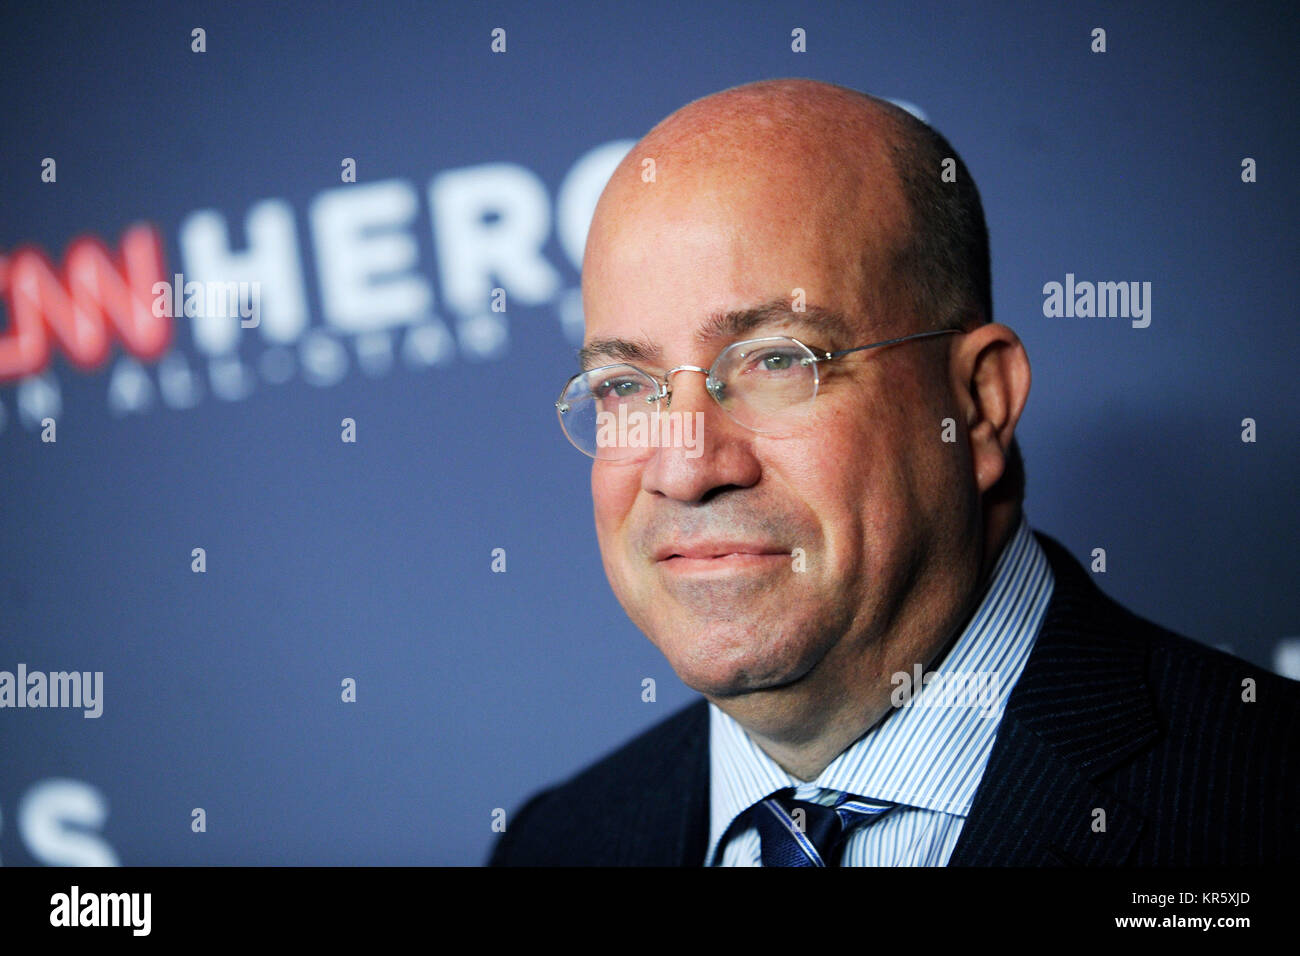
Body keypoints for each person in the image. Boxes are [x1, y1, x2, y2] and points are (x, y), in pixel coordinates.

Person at [488, 78, 1299, 866]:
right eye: (626, 386)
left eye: (777, 360)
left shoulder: (1261, 799)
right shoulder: (559, 844)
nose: (686, 467)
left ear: (979, 402)